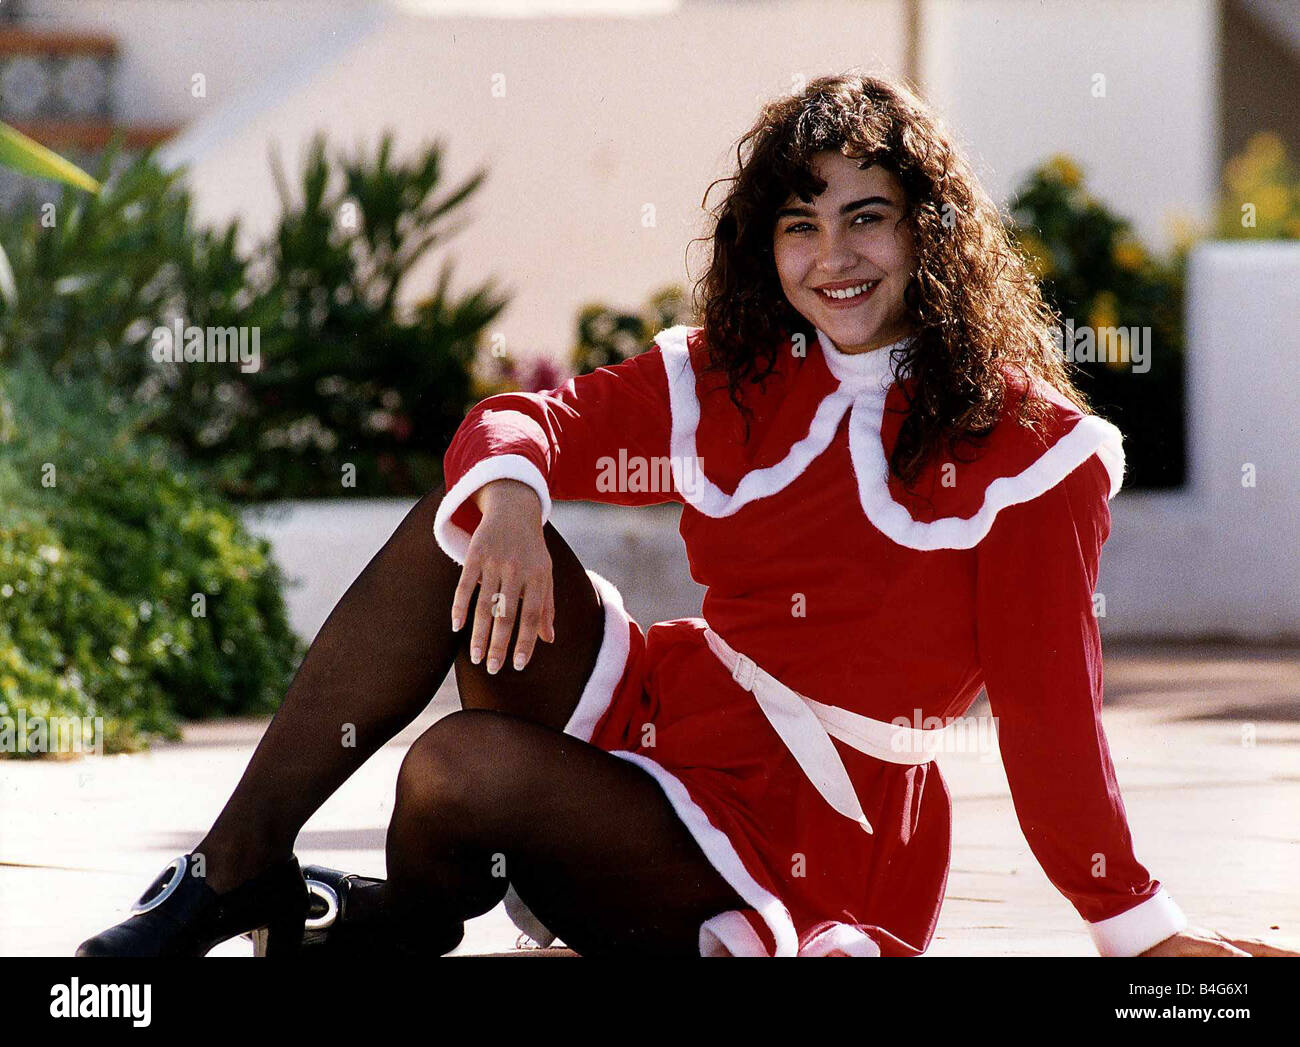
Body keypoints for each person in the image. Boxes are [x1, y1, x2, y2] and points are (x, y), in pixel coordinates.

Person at [77, 72, 1291, 958]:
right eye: (798, 224)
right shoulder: (727, 376)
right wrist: (508, 494)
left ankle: (387, 925)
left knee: (454, 770)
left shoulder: (1029, 450)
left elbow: (1051, 714)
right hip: (668, 713)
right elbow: (528, 421)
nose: (833, 257)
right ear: (765, 245)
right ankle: (234, 871)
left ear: (929, 229)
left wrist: (1138, 929)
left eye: (865, 215)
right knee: (449, 529)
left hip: (821, 827)